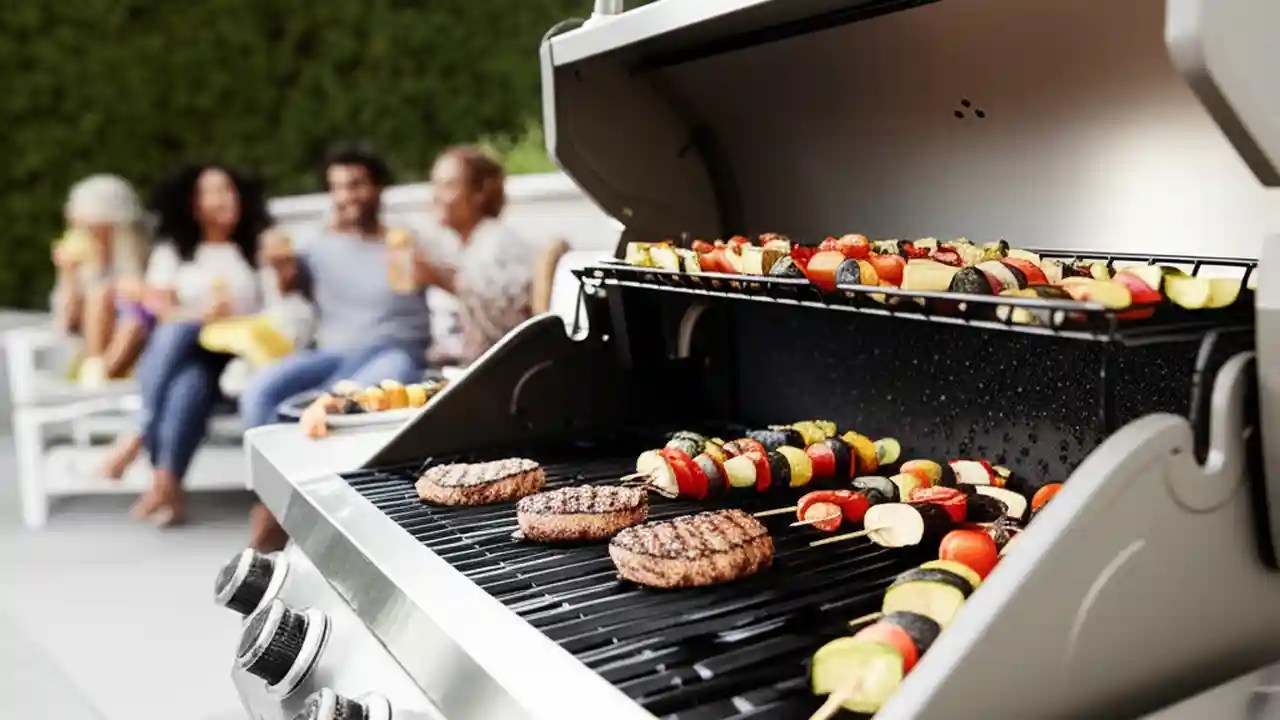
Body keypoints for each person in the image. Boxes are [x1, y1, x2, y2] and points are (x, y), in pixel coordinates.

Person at [240, 142, 434, 551]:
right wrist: (279, 264)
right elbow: (289, 286)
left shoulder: (407, 240)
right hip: (332, 351)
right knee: (261, 391)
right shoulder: (318, 245)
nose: (347, 196)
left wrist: (430, 271)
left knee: (347, 400)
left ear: (378, 187)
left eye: (357, 185)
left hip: (393, 348)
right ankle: (272, 499)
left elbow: (463, 280)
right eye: (339, 187)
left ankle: (302, 512)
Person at [125, 165, 271, 526]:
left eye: (229, 189)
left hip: (238, 358)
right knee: (188, 380)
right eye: (212, 191)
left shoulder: (256, 248)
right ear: (193, 204)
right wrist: (200, 313)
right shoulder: (175, 252)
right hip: (189, 357)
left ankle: (138, 436)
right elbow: (161, 310)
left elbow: (276, 309)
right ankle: (168, 487)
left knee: (182, 337)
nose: (224, 198)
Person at [417, 145, 538, 364]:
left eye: (448, 185)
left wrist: (439, 278)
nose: (435, 196)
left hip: (490, 372)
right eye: (435, 185)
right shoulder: (460, 245)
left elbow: (507, 319)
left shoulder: (499, 244)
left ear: (480, 192)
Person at [50, 175, 152, 383]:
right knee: (100, 293)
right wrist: (68, 274)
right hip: (90, 338)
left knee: (130, 320)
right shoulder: (78, 260)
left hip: (135, 329)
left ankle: (98, 376)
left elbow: (146, 296)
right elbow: (66, 322)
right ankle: (96, 372)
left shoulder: (138, 254)